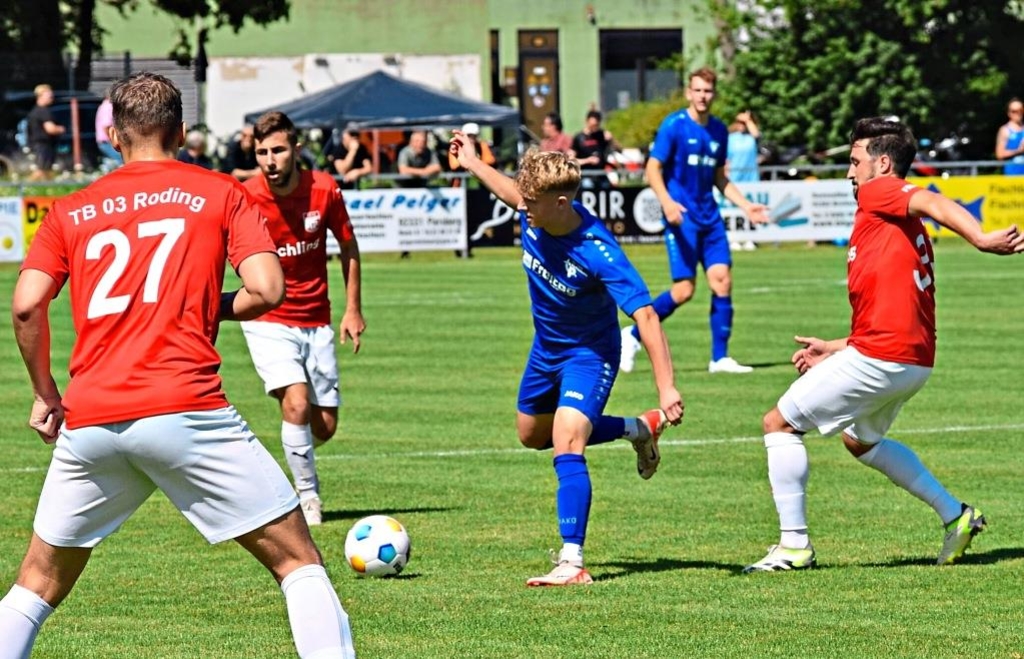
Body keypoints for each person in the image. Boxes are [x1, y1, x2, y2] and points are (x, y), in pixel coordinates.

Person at [1, 72, 356, 658]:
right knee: (298, 561)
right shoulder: (220, 192)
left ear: (114, 135)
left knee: (34, 586)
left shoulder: (70, 209)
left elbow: (25, 305)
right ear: (183, 132)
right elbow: (268, 290)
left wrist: (46, 394)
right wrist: (207, 306)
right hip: (186, 410)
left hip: (90, 421)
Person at [743, 116, 1023, 573]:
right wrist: (835, 347)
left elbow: (930, 198)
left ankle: (794, 547)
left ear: (883, 164)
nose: (850, 172)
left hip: (884, 356)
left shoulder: (881, 192)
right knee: (860, 439)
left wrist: (979, 238)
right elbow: (893, 303)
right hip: (912, 360)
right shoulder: (895, 223)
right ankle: (957, 515)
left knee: (779, 423)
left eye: (855, 162)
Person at [449, 132, 684, 587]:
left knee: (566, 439)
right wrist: (474, 164)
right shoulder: (535, 211)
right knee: (531, 435)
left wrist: (667, 386)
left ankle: (572, 561)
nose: (522, 209)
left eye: (531, 203)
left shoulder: (598, 251)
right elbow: (509, 191)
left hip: (590, 355)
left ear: (560, 202)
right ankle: (638, 427)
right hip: (546, 349)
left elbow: (647, 315)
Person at [243, 110, 365, 527]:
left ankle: (292, 452)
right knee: (295, 403)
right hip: (268, 318)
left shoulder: (325, 190)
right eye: (262, 152)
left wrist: (352, 309)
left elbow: (349, 248)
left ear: (296, 149)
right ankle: (306, 499)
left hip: (317, 319)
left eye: (277, 149)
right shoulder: (246, 197)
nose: (270, 160)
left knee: (325, 425)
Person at [619, 67, 769, 376]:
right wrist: (667, 203)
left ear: (714, 94)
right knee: (684, 290)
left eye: (708, 91)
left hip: (710, 218)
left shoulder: (718, 131)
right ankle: (631, 336)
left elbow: (719, 177)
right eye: (697, 90)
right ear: (689, 92)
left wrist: (745, 206)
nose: (702, 96)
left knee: (722, 281)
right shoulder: (674, 126)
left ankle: (720, 358)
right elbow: (652, 168)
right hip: (682, 219)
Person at [27, 84, 65, 181]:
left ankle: (48, 190)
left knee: (47, 171)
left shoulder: (34, 111)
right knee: (41, 170)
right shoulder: (44, 111)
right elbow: (50, 129)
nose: (52, 97)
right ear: (41, 95)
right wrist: (61, 129)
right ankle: (23, 188)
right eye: (49, 95)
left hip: (38, 144)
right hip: (43, 145)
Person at [570, 110, 617, 189]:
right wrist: (588, 160)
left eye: (596, 125)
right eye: (592, 125)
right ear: (587, 122)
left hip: (601, 174)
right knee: (587, 185)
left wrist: (611, 139)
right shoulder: (578, 138)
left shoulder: (602, 135)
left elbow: (618, 149)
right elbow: (572, 160)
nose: (594, 128)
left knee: (607, 187)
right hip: (586, 175)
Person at [994, 97, 1024, 175]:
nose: (1018, 113)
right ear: (1009, 113)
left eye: (1020, 110)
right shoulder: (1005, 130)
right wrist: (1019, 150)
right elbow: (999, 155)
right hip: (1012, 177)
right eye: (1014, 111)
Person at [94, 93, 122, 169]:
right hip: (107, 141)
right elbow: (106, 126)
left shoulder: (102, 106)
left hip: (103, 141)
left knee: (112, 163)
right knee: (122, 160)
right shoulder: (108, 106)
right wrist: (112, 139)